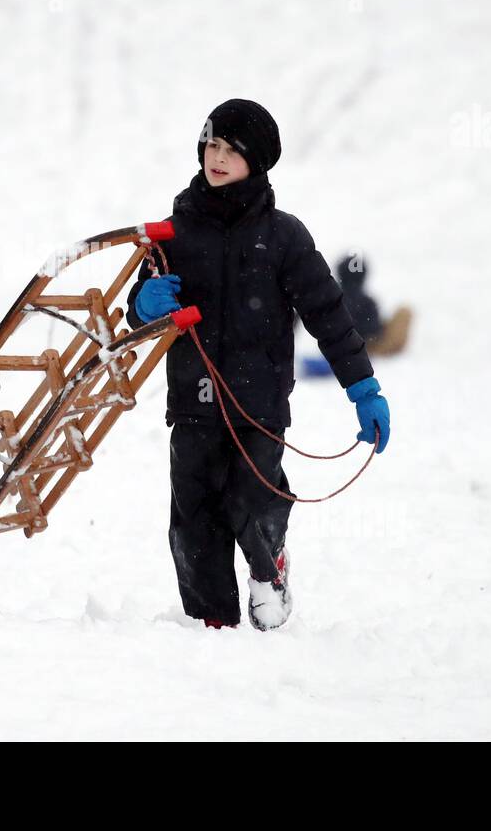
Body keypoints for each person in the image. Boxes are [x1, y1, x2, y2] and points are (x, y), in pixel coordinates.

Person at [125, 99, 391, 631]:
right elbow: (136, 309)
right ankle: (212, 627)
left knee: (254, 501)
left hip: (258, 402)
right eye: (212, 145)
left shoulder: (284, 236)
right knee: (194, 524)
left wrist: (363, 389)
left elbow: (329, 316)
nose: (217, 158)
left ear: (259, 161)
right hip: (194, 402)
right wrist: (143, 304)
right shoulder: (175, 231)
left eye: (232, 150)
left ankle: (270, 571)